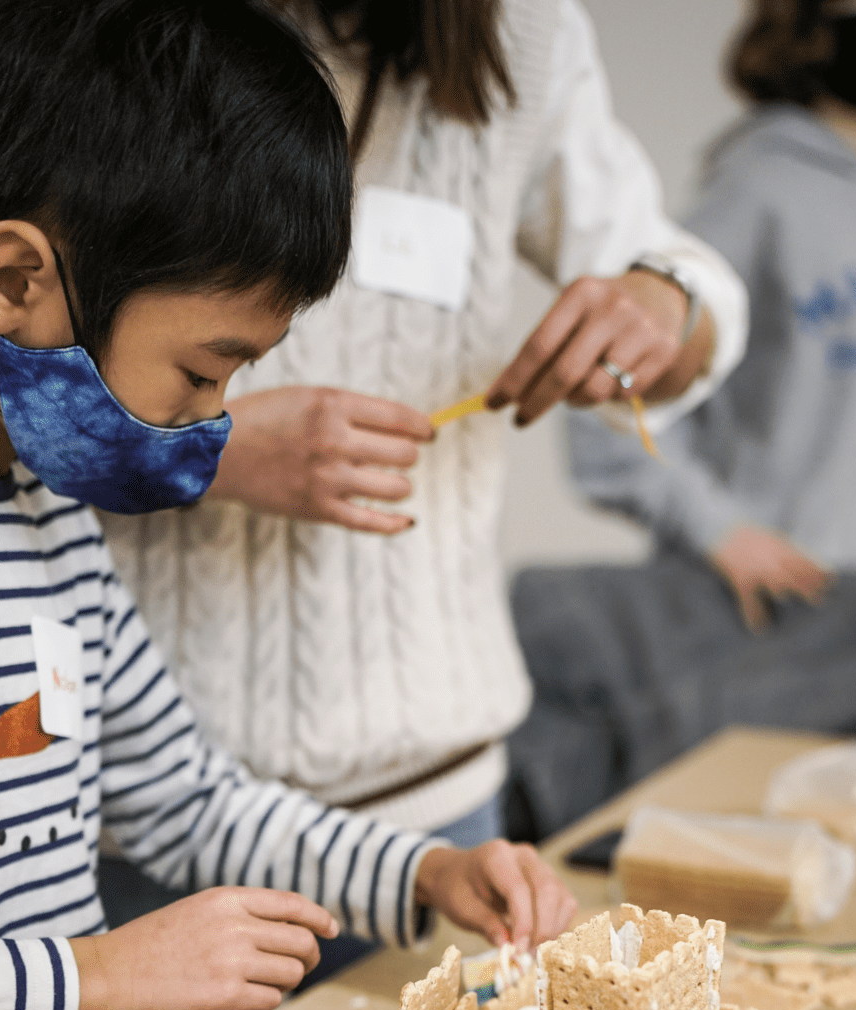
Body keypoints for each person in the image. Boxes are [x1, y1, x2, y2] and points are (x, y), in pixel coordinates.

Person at [0, 0, 575, 1010]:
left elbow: (192, 802)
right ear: (10, 278)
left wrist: (425, 872)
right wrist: (98, 977)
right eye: (205, 370)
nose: (216, 419)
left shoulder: (46, 514)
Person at [98, 0, 749, 846]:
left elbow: (693, 294)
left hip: (436, 809)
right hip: (146, 807)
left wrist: (663, 297)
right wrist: (195, 452)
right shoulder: (93, 31)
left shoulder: (530, 33)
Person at [507, 0, 856, 839]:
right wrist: (721, 529)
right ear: (809, 21)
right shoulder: (756, 187)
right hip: (741, 620)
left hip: (841, 600)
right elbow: (607, 395)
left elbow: (831, 396)